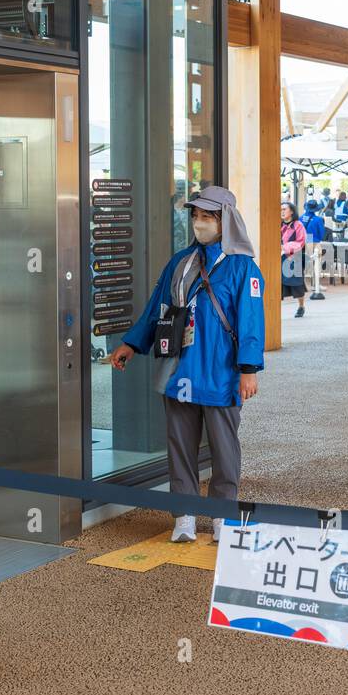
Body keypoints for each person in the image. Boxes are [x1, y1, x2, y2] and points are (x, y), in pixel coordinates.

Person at [109, 186, 266, 543]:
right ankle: (184, 517)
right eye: (195, 216)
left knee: (225, 450)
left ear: (226, 220)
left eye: (207, 217)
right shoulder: (180, 262)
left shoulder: (243, 267)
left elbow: (251, 321)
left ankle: (223, 517)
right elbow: (157, 308)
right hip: (179, 372)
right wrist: (132, 344)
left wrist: (248, 370)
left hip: (222, 373)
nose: (199, 223)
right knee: (179, 447)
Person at [280, 201, 308, 318]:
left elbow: (300, 242)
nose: (281, 211)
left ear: (291, 211)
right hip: (280, 258)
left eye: (284, 209)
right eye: (280, 209)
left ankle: (301, 306)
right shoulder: (279, 224)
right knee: (278, 283)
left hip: (294, 257)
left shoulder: (298, 225)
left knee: (297, 284)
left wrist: (284, 248)